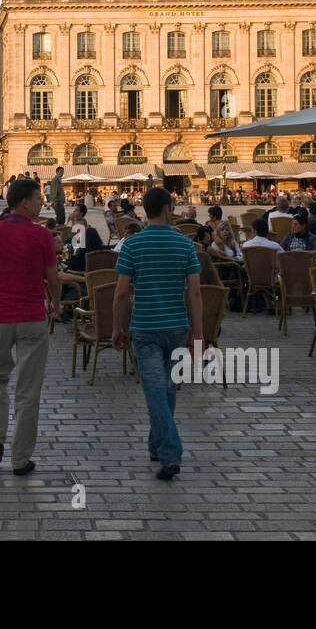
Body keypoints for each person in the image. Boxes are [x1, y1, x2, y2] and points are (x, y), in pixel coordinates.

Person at [0, 177, 60, 476]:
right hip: (32, 318)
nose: (42, 202)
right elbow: (53, 277)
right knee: (28, 391)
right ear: (25, 203)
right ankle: (20, 459)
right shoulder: (41, 236)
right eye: (38, 198)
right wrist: (55, 303)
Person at [112, 188, 203, 481]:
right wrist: (198, 334)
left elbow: (122, 292)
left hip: (145, 328)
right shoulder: (184, 244)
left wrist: (116, 327)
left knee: (156, 390)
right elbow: (196, 293)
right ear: (167, 208)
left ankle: (169, 453)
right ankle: (157, 444)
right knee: (165, 389)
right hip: (177, 327)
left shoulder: (132, 245)